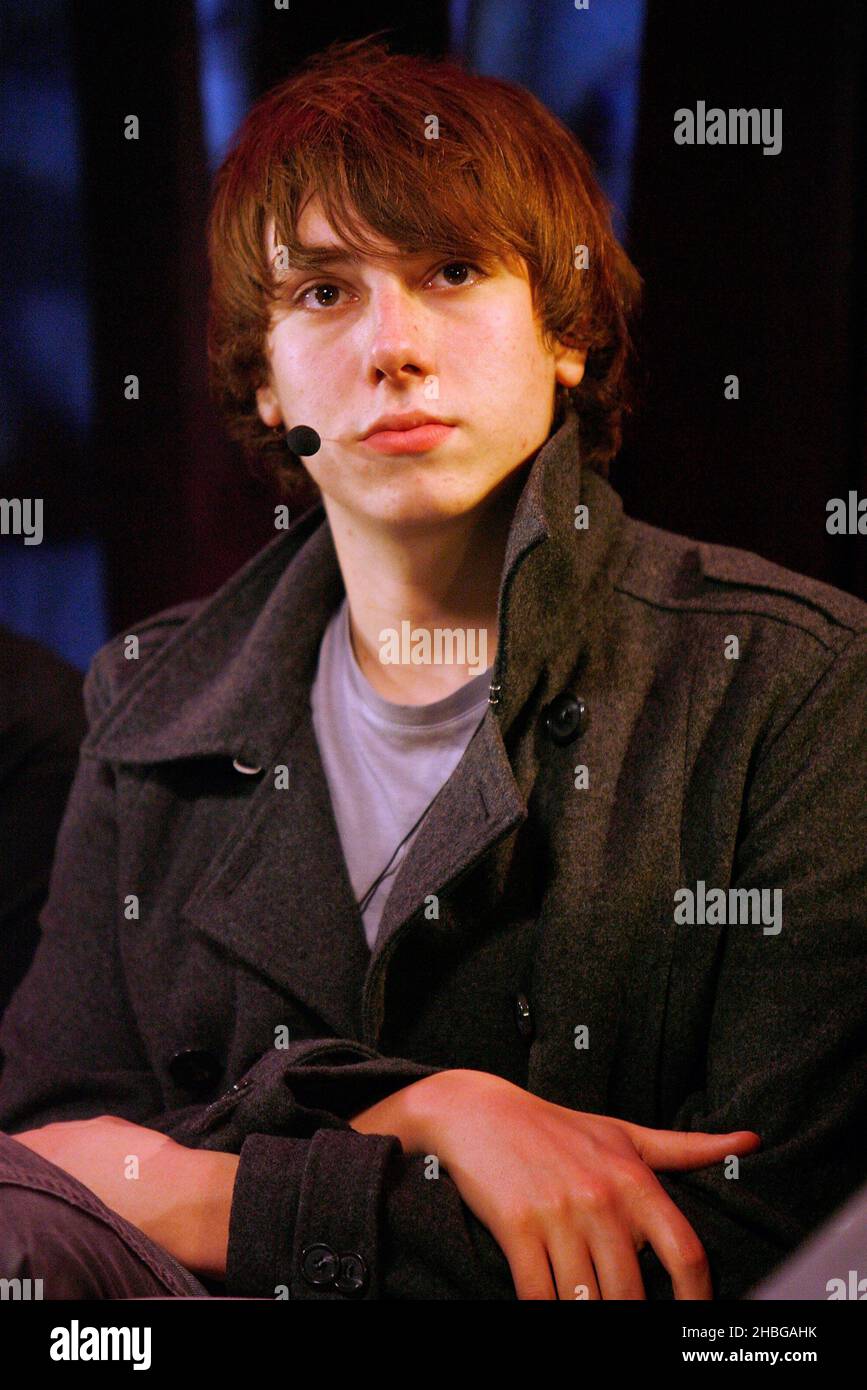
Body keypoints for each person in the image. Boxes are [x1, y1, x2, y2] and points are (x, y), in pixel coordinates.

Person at [0, 34, 865, 1302]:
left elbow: (754, 1243)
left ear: (564, 334)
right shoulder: (148, 702)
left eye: (453, 272)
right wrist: (425, 1109)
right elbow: (44, 1182)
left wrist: (221, 1196)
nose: (392, 346)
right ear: (260, 380)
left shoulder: (791, 685)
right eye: (325, 293)